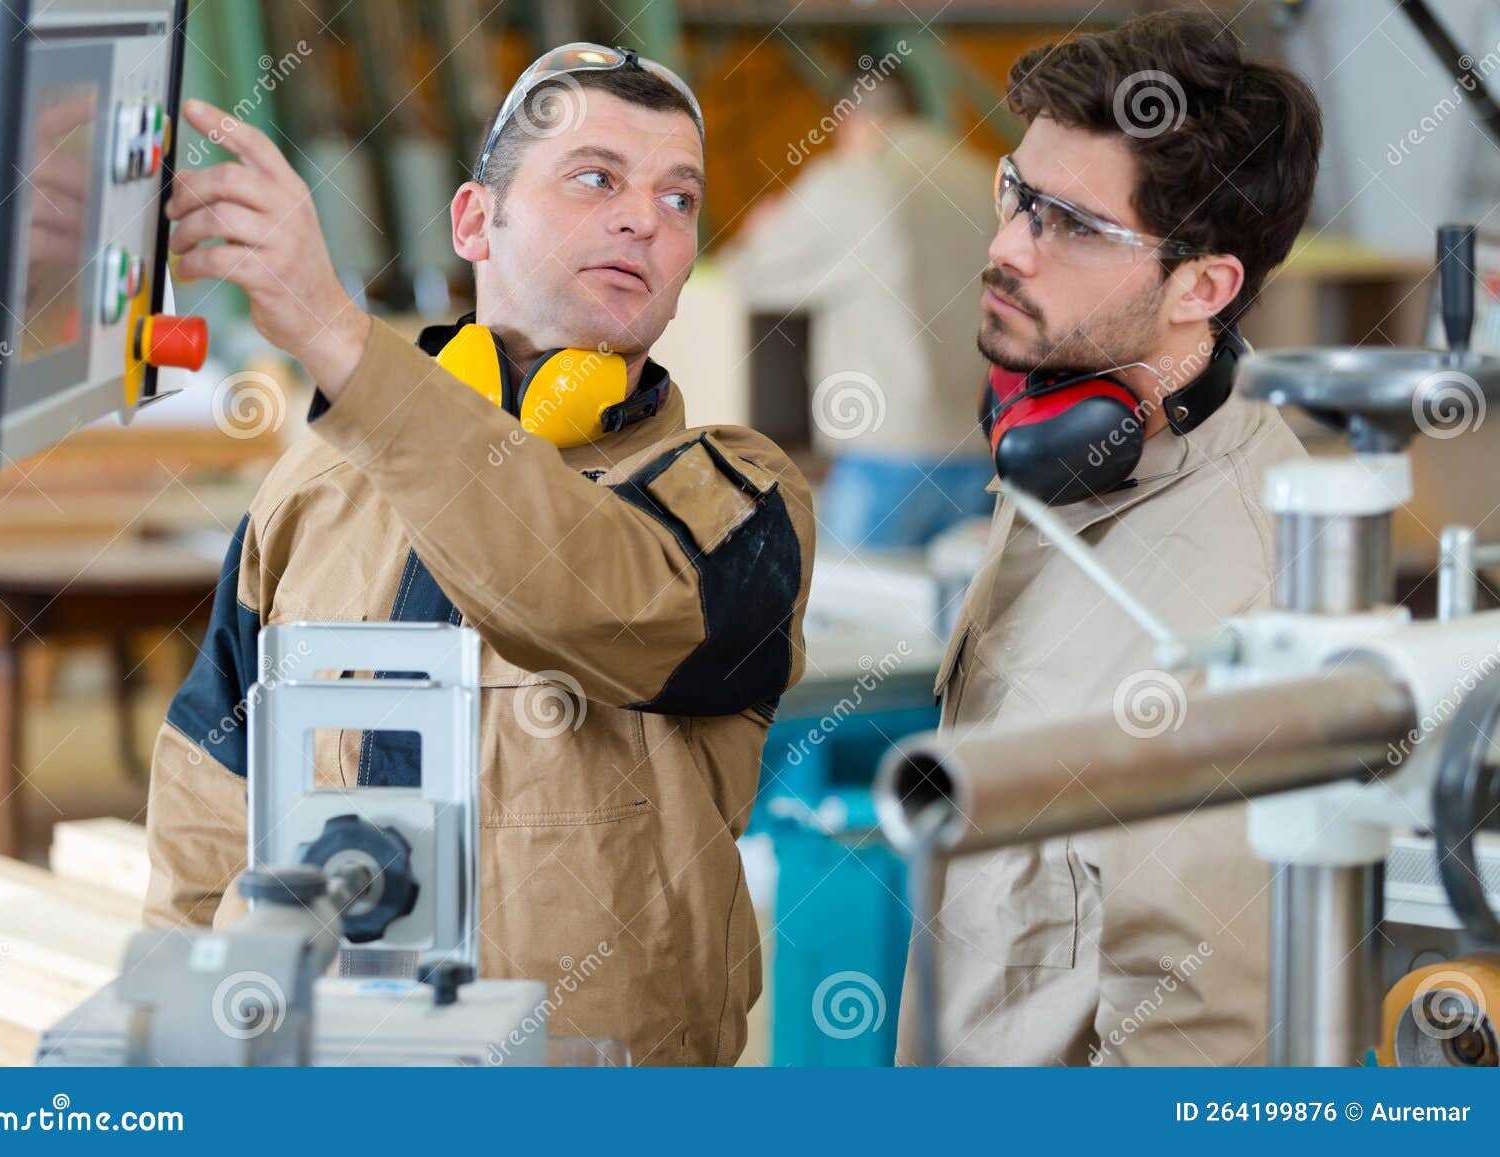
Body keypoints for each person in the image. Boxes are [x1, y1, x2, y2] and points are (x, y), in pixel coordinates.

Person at [143, 45, 816, 1067]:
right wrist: (176, 1046)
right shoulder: (315, 485)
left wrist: (334, 334)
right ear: (473, 221)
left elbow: (585, 597)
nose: (644, 216)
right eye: (596, 177)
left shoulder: (735, 494)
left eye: (679, 199)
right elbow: (209, 794)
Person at [896, 11, 1323, 1065]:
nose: (1003, 246)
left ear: (1202, 287)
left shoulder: (1236, 606)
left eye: (1072, 226)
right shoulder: (1073, 452)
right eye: (1016, 193)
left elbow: (1194, 1047)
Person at [720, 70, 998, 552]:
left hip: (888, 452)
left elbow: (745, 276)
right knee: (958, 615)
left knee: (853, 617)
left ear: (852, 121)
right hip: (981, 447)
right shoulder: (981, 177)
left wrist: (758, 230)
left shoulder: (856, 178)